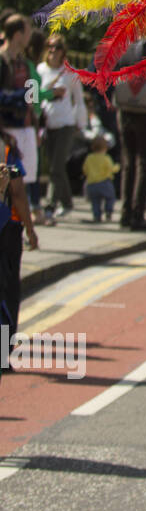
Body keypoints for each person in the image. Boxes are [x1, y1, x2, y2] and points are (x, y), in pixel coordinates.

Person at [113, 43, 146, 231]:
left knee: (128, 163)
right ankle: (137, 214)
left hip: (125, 110)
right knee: (144, 162)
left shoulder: (122, 49)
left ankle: (125, 214)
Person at [37, 36, 87, 218]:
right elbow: (33, 96)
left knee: (57, 166)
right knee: (55, 167)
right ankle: (67, 202)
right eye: (49, 46)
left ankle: (50, 204)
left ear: (63, 51)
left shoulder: (69, 73)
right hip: (48, 123)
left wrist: (80, 123)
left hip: (66, 123)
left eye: (57, 47)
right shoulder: (40, 70)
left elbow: (79, 100)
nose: (53, 50)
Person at [0, 127, 38, 351]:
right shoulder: (6, 148)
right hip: (8, 228)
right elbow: (18, 193)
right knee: (8, 291)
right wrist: (30, 229)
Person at [0, 16, 41, 225]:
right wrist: (18, 97)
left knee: (20, 184)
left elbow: (32, 99)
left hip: (24, 131)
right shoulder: (2, 61)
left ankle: (15, 227)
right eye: (27, 31)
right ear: (17, 35)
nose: (29, 35)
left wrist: (36, 127)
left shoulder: (25, 64)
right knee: (8, 185)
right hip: (6, 133)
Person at [82, 135, 120, 222]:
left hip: (91, 183)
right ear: (105, 148)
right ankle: (108, 211)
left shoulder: (89, 158)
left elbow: (85, 169)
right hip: (104, 182)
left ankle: (97, 215)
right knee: (110, 197)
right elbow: (111, 168)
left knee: (95, 201)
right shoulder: (106, 158)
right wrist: (117, 167)